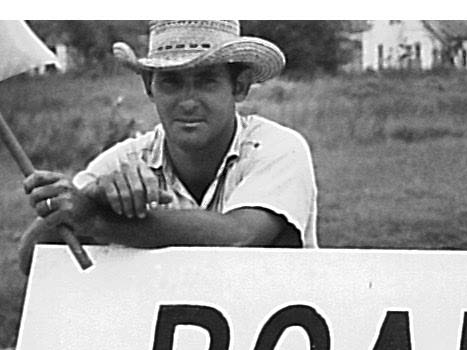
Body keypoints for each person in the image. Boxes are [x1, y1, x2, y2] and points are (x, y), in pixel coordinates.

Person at [18, 19, 318, 273]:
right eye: (171, 82)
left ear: (239, 86)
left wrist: (97, 219)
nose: (188, 102)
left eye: (207, 81)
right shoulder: (126, 160)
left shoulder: (277, 148)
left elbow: (241, 235)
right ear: (149, 87)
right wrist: (85, 199)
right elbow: (32, 261)